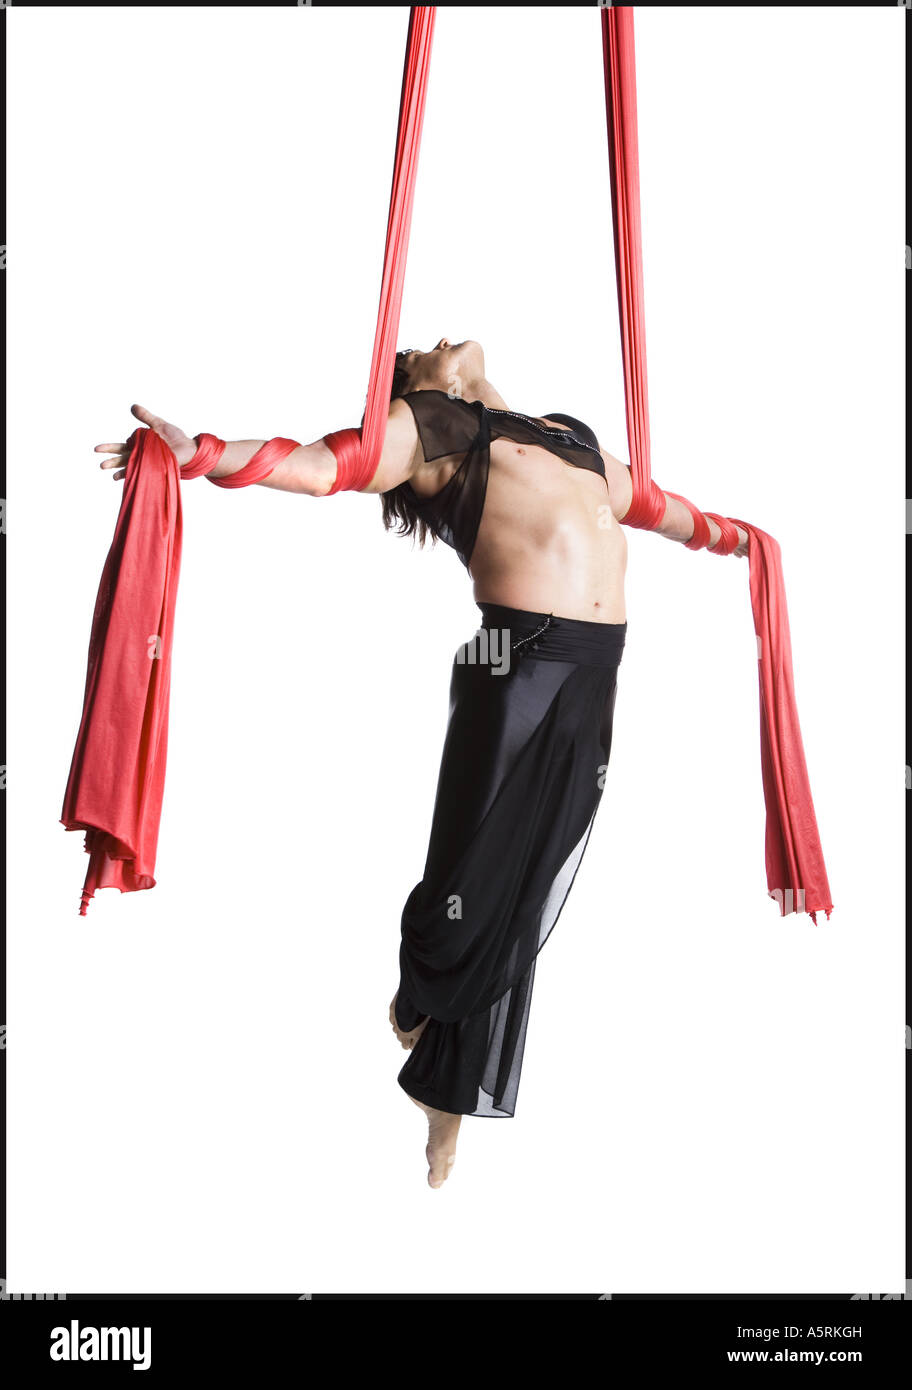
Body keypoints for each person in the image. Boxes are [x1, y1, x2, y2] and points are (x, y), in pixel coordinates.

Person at [96, 338, 748, 1189]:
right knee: (472, 881)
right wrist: (201, 455)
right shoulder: (430, 427)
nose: (424, 341)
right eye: (411, 353)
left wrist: (741, 541)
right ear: (412, 383)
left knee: (524, 889)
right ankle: (424, 1007)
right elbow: (316, 465)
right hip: (515, 665)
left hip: (597, 673)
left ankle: (440, 1072)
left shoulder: (568, 435)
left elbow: (661, 509)